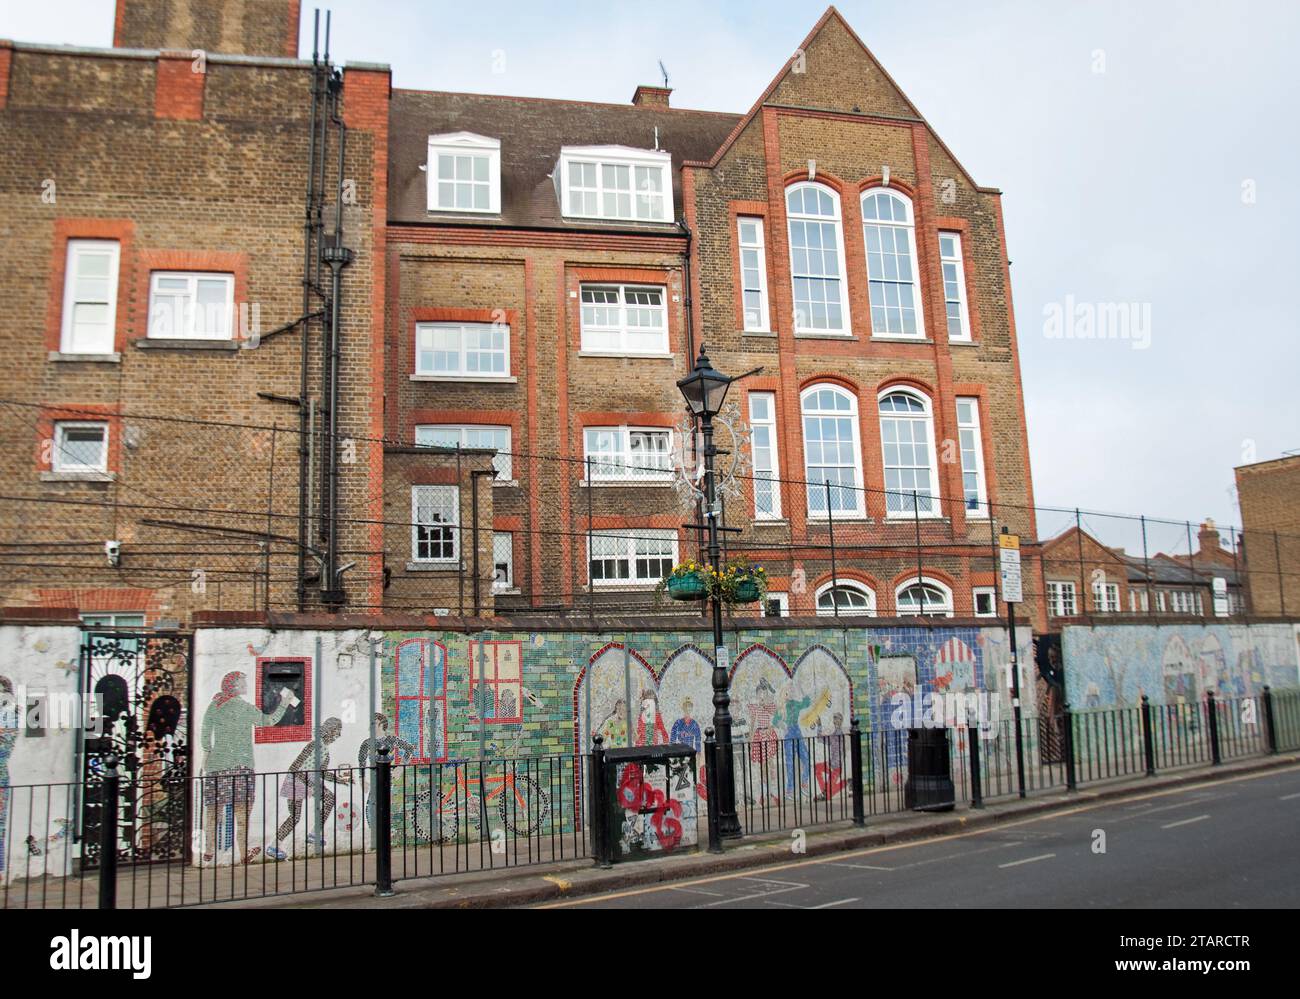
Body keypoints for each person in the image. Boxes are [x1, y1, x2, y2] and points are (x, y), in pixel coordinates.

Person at [199, 671, 291, 864]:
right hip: (241, 766)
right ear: (236, 686)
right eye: (243, 682)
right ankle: (243, 854)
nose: (246, 684)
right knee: (241, 812)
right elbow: (268, 721)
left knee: (213, 811)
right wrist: (284, 702)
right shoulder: (244, 707)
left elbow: (206, 730)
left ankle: (208, 851)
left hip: (216, 766)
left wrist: (206, 753)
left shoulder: (215, 704)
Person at [267, 717, 350, 861]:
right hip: (296, 782)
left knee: (329, 799)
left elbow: (322, 772)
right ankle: (274, 846)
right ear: (329, 731)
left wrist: (339, 780)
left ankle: (314, 833)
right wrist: (310, 784)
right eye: (337, 731)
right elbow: (295, 768)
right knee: (295, 817)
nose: (339, 735)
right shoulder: (313, 746)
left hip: (308, 782)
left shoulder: (325, 752)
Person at [357, 714, 414, 843]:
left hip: (389, 777)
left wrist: (401, 767)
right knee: (372, 804)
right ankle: (377, 832)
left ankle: (384, 832)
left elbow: (409, 748)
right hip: (375, 777)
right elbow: (361, 760)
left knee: (384, 803)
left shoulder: (391, 740)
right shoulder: (367, 743)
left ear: (381, 724)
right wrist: (361, 779)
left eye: (374, 723)